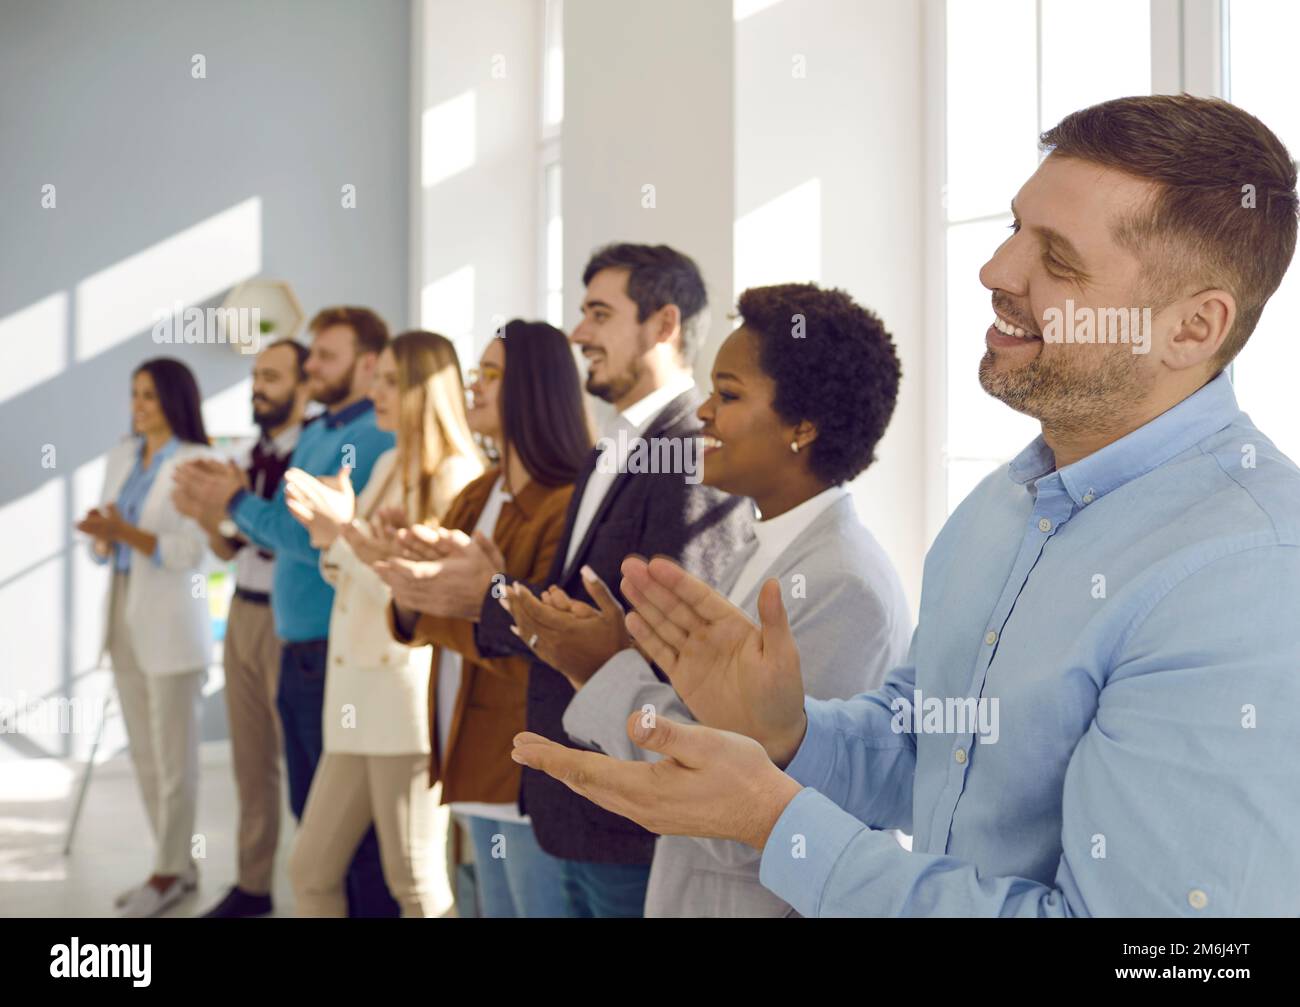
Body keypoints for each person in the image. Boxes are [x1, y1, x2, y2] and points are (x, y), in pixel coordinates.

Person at [512, 94, 1300, 916]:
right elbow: (929, 749)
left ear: (1191, 328)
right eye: (1013, 227)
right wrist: (791, 733)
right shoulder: (1001, 506)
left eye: (1058, 260)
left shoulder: (1249, 574)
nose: (996, 271)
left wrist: (776, 822)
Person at [505, 282, 912, 916]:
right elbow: (716, 727)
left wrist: (601, 671)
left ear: (801, 427)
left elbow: (748, 814)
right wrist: (623, 653)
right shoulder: (767, 545)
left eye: (728, 395)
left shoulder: (842, 585)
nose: (703, 413)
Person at [377, 244, 753, 917]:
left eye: (599, 314)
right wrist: (488, 586)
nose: (579, 333)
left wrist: (490, 595)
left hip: (629, 811)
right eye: (582, 313)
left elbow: (667, 646)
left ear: (664, 324)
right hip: (574, 796)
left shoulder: (688, 453)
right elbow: (574, 606)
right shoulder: (613, 444)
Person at [173, 306, 399, 917]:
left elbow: (308, 537)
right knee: (312, 814)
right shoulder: (322, 432)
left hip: (333, 647)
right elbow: (277, 526)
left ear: (369, 362)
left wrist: (235, 500)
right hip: (295, 639)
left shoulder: (372, 436)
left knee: (351, 834)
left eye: (325, 356)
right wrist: (227, 506)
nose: (313, 364)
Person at [380, 320, 591, 918]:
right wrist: (418, 585)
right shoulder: (480, 491)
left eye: (491, 375)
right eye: (477, 373)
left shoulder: (567, 502)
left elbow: (526, 635)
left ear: (535, 387)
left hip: (521, 761)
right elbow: (426, 611)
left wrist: (452, 602)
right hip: (467, 750)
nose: (474, 386)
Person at [280, 330, 482, 917]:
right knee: (310, 867)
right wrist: (335, 534)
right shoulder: (393, 459)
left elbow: (425, 605)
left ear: (428, 389)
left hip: (403, 703)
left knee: (414, 879)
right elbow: (358, 569)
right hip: (357, 696)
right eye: (379, 377)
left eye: (393, 380)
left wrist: (345, 532)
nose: (376, 390)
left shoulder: (457, 477)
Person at [173, 339, 310, 918]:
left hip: (292, 620)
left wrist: (234, 505)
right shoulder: (250, 455)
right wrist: (207, 517)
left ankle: (316, 882)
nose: (258, 386)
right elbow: (234, 547)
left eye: (272, 376)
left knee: (306, 764)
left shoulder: (318, 454)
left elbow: (294, 544)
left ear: (304, 385)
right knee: (250, 762)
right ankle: (254, 886)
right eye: (256, 375)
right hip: (245, 615)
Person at [77, 357, 216, 917]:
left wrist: (124, 532)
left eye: (150, 397)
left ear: (175, 401)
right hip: (123, 620)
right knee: (143, 756)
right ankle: (177, 865)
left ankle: (165, 873)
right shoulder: (122, 455)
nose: (138, 406)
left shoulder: (198, 462)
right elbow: (103, 544)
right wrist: (103, 537)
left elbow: (190, 551)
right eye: (134, 394)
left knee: (174, 758)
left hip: (171, 628)